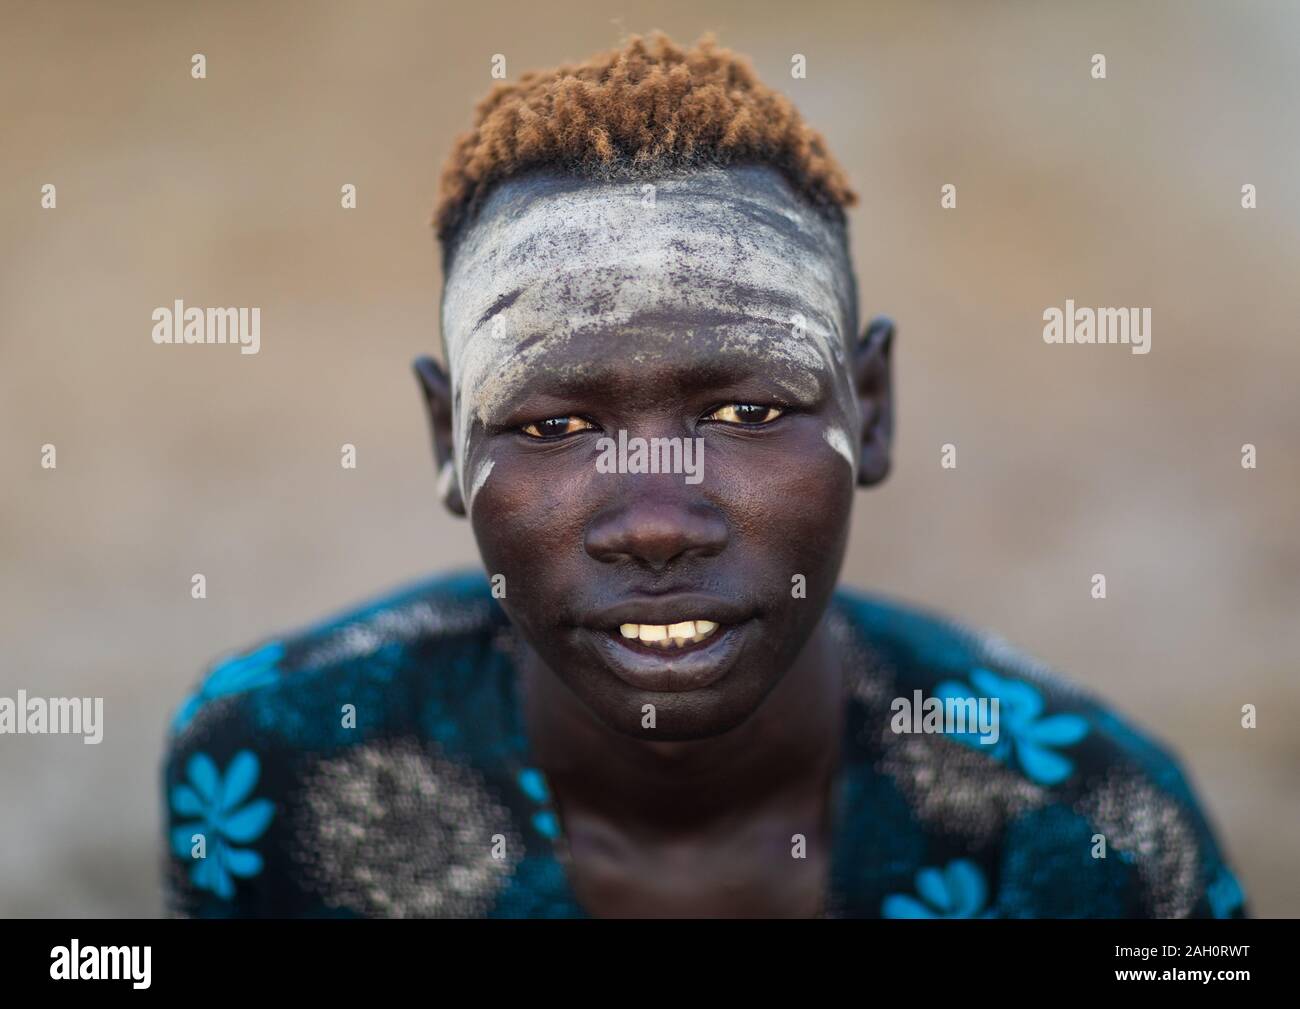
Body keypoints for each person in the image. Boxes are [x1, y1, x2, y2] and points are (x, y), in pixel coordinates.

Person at [161, 32, 1246, 918]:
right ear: (447, 437)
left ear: (871, 409)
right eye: (553, 425)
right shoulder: (274, 767)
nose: (654, 521)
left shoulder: (1085, 831)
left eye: (747, 412)